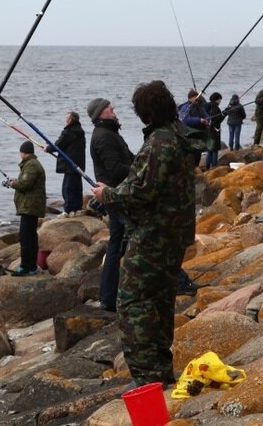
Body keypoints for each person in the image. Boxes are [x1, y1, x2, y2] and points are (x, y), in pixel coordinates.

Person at [89, 80, 204, 387]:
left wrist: (106, 195)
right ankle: (160, 373)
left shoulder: (159, 144)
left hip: (153, 238)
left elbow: (142, 191)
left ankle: (148, 379)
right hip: (173, 235)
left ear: (144, 112)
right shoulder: (178, 135)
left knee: (132, 306)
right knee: (160, 303)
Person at [87, 97, 134, 312]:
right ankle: (108, 296)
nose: (113, 109)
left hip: (116, 196)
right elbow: (115, 169)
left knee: (116, 245)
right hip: (117, 197)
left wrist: (141, 161)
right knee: (134, 238)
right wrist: (139, 171)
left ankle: (108, 297)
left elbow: (127, 158)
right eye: (108, 107)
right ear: (100, 113)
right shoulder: (104, 136)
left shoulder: (110, 132)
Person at [8, 140, 46, 276]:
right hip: (30, 206)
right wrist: (15, 182)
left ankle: (26, 267)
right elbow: (25, 182)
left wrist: (13, 184)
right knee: (30, 236)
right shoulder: (32, 164)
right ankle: (31, 266)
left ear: (23, 153)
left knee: (25, 237)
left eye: (20, 152)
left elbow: (25, 184)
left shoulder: (31, 165)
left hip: (30, 207)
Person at [46, 112, 86, 217]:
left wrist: (48, 148)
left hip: (70, 164)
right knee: (77, 186)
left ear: (70, 120)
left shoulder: (68, 132)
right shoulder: (80, 132)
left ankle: (68, 210)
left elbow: (59, 145)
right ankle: (77, 208)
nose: (65, 120)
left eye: (66, 118)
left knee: (67, 188)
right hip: (79, 165)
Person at [178, 89, 209, 167]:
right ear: (190, 98)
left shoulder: (200, 107)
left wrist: (208, 120)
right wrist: (199, 120)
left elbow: (206, 115)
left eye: (197, 97)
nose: (197, 98)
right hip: (190, 134)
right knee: (191, 155)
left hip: (199, 134)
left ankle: (196, 168)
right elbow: (185, 119)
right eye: (195, 97)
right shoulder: (185, 107)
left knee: (198, 153)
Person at [205, 92, 224, 169]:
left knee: (209, 149)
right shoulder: (216, 108)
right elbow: (219, 120)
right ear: (217, 99)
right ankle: (214, 167)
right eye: (220, 99)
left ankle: (207, 167)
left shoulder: (207, 106)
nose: (220, 101)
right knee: (215, 150)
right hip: (215, 131)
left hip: (208, 130)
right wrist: (225, 114)